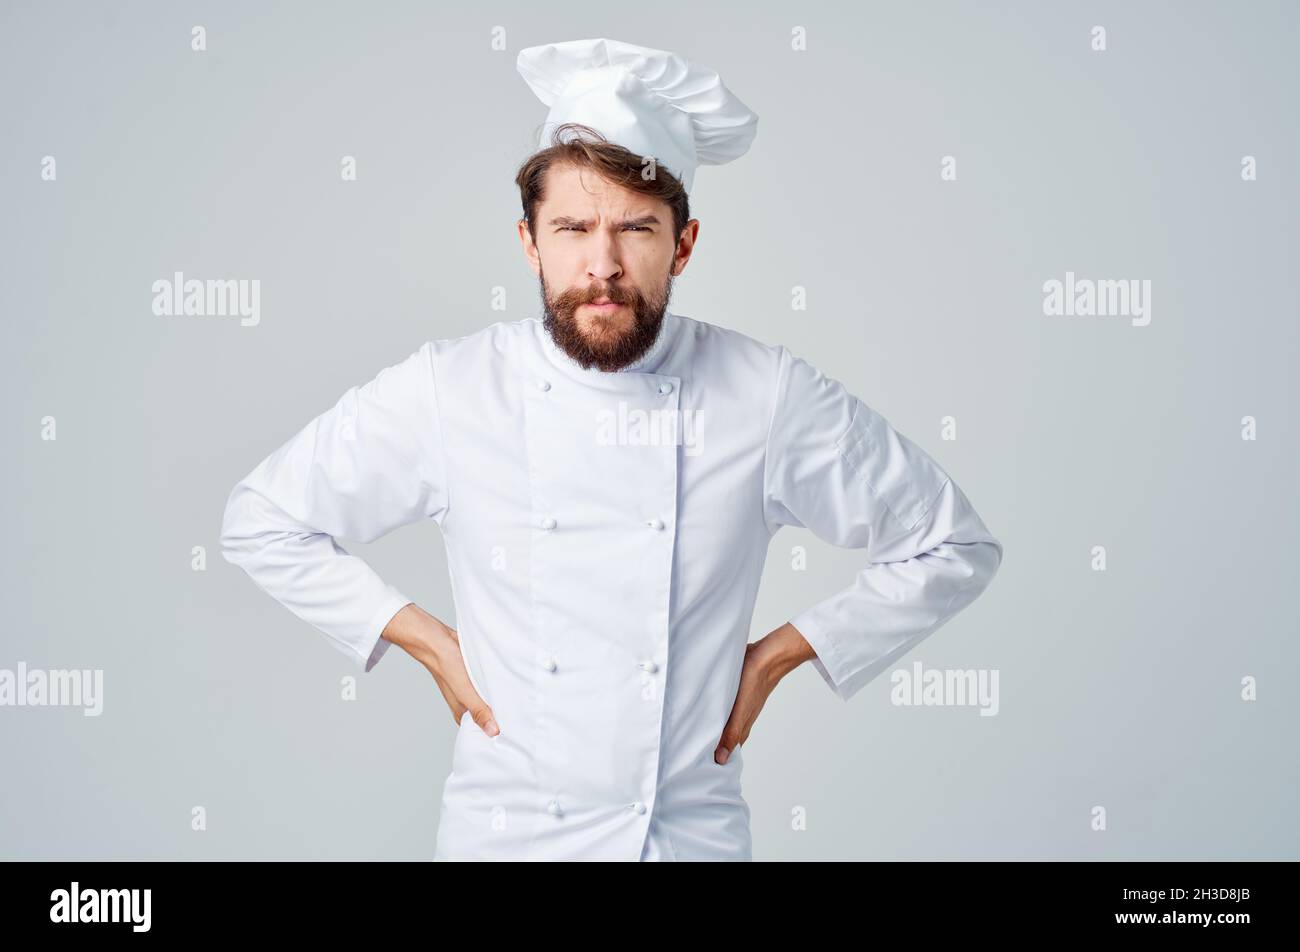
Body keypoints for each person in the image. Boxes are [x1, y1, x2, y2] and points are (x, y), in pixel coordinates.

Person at [219, 37, 1003, 861]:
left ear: (684, 244)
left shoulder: (762, 394)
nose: (603, 265)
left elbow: (955, 545)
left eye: (635, 229)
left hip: (685, 842)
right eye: (573, 227)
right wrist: (420, 637)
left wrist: (781, 655)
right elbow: (260, 519)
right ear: (529, 242)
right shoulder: (452, 391)